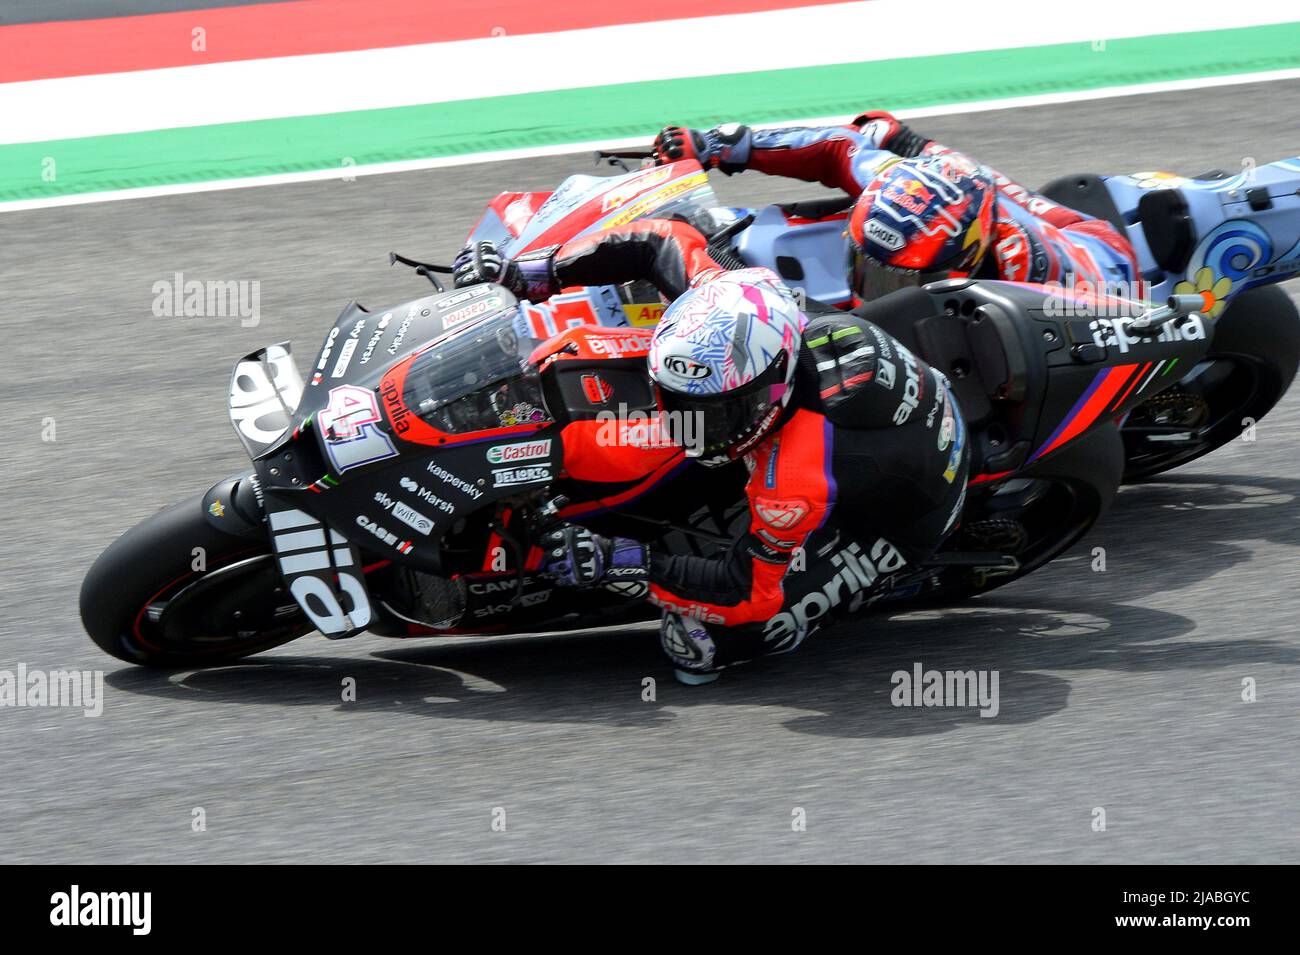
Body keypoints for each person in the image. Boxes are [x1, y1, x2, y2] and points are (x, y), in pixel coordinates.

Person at [452, 219, 968, 682]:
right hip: (857, 399)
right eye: (677, 403)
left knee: (701, 645)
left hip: (899, 516)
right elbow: (662, 238)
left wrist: (619, 560)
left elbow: (747, 592)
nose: (691, 427)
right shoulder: (734, 297)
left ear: (773, 386)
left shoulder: (795, 480)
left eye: (718, 413)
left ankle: (874, 578)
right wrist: (533, 272)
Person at [651, 112, 1140, 300]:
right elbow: (838, 146)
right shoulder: (896, 184)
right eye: (864, 268)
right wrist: (722, 145)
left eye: (890, 282)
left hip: (1101, 268)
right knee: (879, 132)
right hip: (971, 199)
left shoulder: (1025, 277)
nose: (868, 288)